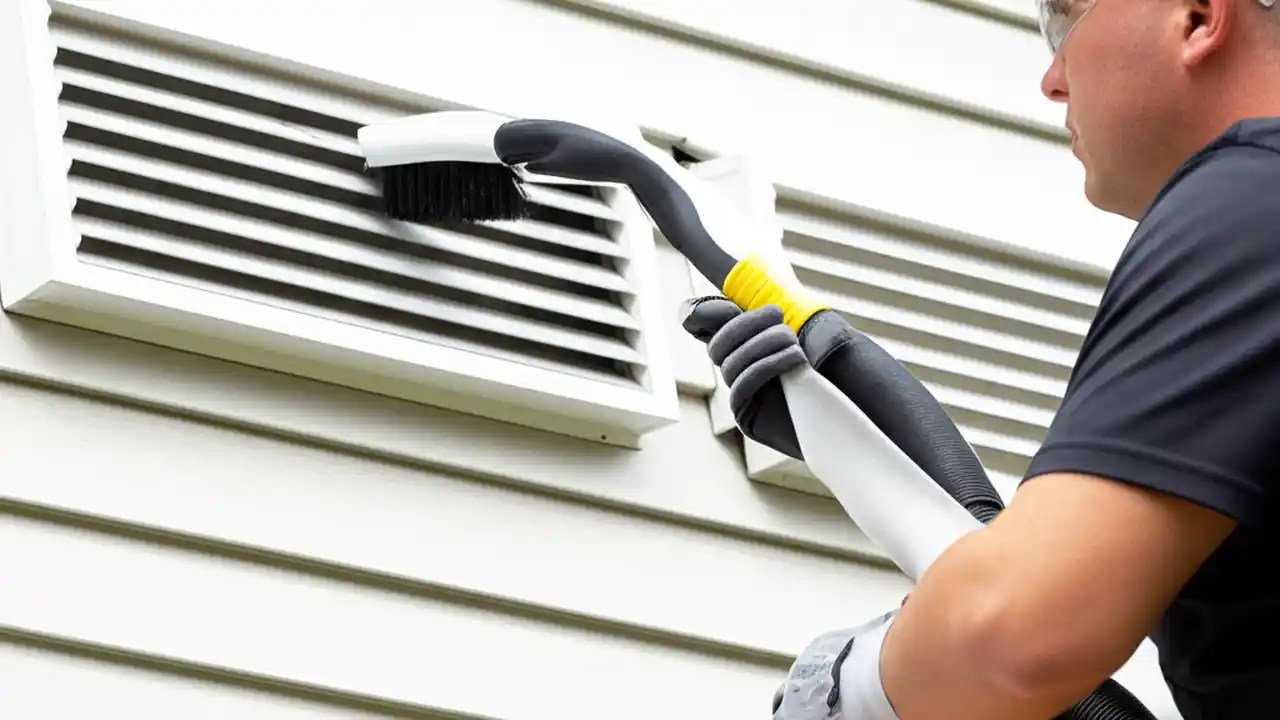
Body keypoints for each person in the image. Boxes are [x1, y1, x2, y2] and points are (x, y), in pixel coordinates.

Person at [679, 0, 1280, 717]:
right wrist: (861, 438)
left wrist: (849, 688)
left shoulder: (1248, 201)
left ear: (1197, 15)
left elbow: (1011, 637)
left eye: (1064, 23)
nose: (1052, 81)